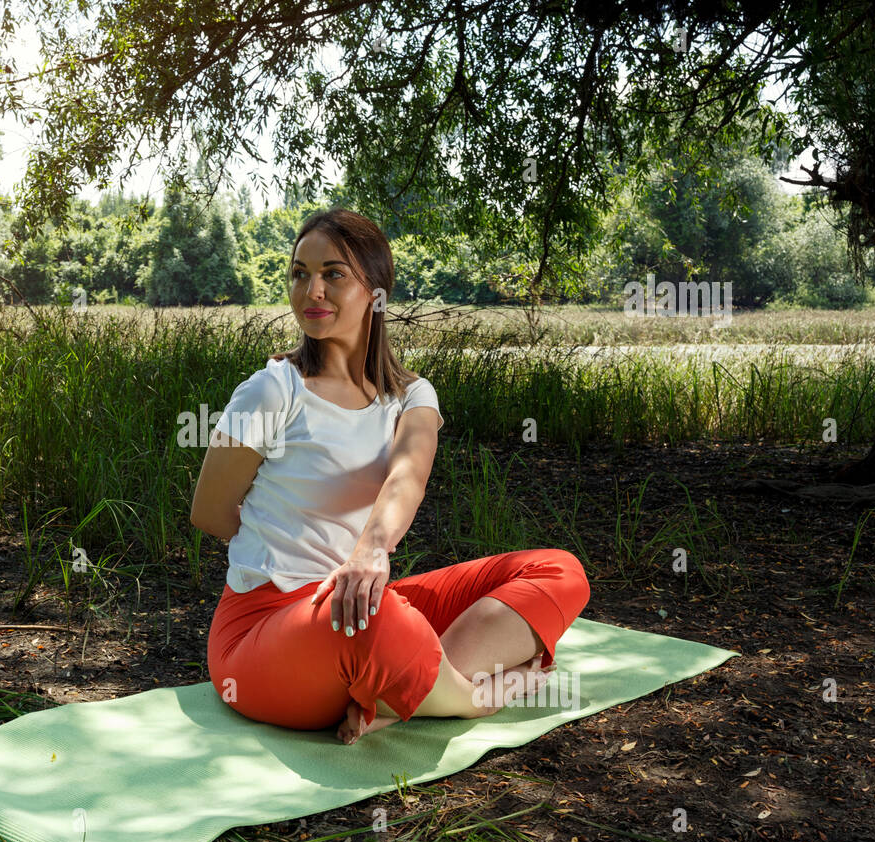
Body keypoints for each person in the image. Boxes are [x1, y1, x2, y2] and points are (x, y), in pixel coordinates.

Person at [190, 208, 591, 744]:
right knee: (382, 624)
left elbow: (408, 472)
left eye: (334, 273)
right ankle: (467, 699)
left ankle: (398, 689)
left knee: (559, 571)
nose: (312, 289)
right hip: (263, 631)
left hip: (359, 599)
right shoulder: (271, 391)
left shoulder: (410, 396)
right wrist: (281, 548)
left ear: (375, 290)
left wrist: (368, 551)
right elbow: (210, 512)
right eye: (299, 273)